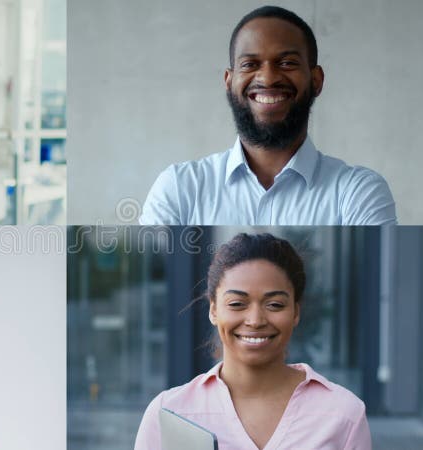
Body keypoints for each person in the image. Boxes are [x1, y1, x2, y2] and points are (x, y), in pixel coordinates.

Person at [140, 6, 396, 225]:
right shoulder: (180, 188)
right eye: (250, 64)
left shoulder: (358, 192)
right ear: (229, 81)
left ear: (316, 80)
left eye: (287, 63)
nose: (268, 77)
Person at [134, 233, 371, 449]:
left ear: (295, 313)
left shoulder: (344, 414)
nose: (255, 320)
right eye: (237, 304)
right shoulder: (169, 412)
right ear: (214, 311)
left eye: (275, 304)